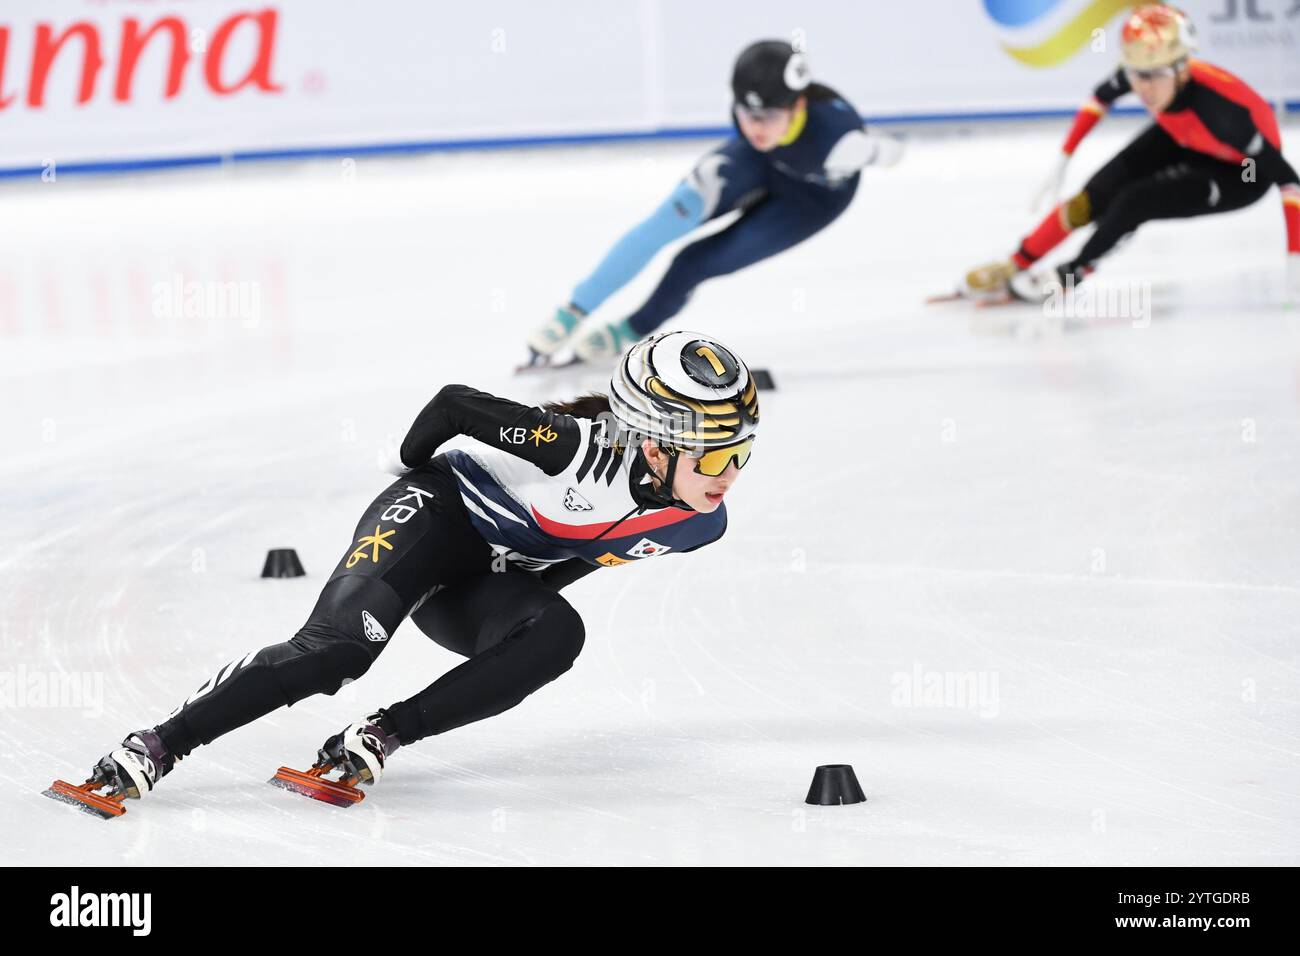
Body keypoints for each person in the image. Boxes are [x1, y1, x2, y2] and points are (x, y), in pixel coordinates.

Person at [57, 331, 760, 809]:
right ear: (652, 443)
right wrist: (408, 472)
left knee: (558, 636)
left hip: (483, 580)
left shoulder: (697, 522)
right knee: (336, 653)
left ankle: (381, 734)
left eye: (741, 451)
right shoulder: (567, 445)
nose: (729, 473)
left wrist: (520, 627)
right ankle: (158, 745)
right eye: (714, 452)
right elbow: (453, 404)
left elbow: (587, 555)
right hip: (431, 516)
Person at [525, 39, 901, 365]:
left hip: (813, 199)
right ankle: (572, 313)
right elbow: (654, 231)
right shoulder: (757, 134)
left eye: (768, 116)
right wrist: (573, 312)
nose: (755, 126)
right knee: (665, 223)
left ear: (798, 105)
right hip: (758, 162)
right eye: (745, 112)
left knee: (695, 263)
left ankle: (629, 329)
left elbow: (892, 153)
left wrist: (876, 150)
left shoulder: (840, 141)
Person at [961, 4, 1300, 303]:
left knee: (1135, 201)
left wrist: (1293, 258)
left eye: (1154, 77)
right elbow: (1099, 98)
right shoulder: (1144, 67)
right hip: (1184, 136)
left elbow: (1288, 181)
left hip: (1242, 173)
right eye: (1137, 76)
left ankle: (1070, 275)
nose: (1143, 88)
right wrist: (1065, 155)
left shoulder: (1223, 114)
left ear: (1182, 69)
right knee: (1089, 200)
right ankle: (1016, 263)